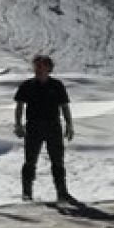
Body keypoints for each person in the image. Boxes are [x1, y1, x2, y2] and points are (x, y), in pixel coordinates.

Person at [14, 54, 74, 202]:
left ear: (48, 68)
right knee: (30, 161)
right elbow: (19, 106)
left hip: (53, 126)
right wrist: (18, 124)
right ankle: (27, 193)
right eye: (36, 65)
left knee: (57, 161)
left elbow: (64, 106)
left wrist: (69, 124)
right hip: (34, 126)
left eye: (41, 65)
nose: (38, 68)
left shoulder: (57, 85)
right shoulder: (27, 85)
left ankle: (62, 192)